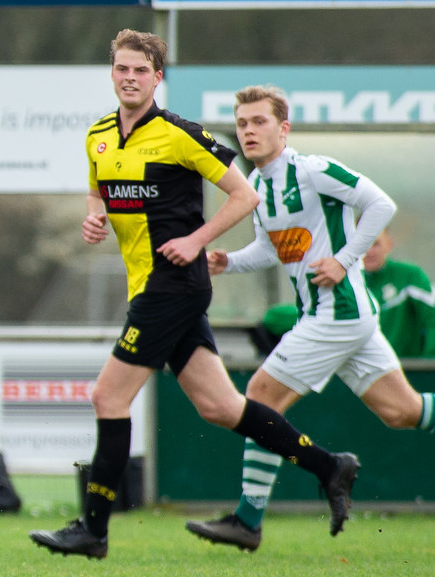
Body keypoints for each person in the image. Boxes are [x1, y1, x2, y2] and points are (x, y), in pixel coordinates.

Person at [30, 31, 359, 560]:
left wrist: (197, 239)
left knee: (107, 397)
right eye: (122, 69)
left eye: (141, 70)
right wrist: (94, 217)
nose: (130, 77)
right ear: (112, 73)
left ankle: (93, 529)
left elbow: (244, 195)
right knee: (221, 406)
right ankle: (329, 466)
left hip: (172, 287)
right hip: (150, 286)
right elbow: (99, 190)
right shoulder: (97, 135)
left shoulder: (179, 134)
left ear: (158, 78)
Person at [186, 85, 435, 552]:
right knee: (403, 411)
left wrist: (343, 260)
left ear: (284, 128)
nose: (248, 132)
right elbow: (270, 248)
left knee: (259, 399)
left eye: (259, 122)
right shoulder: (257, 186)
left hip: (336, 312)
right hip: (342, 316)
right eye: (242, 124)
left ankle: (247, 520)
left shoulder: (313, 170)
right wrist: (228, 262)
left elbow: (381, 204)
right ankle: (251, 518)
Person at [363, 228, 435, 359]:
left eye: (375, 244)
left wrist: (429, 363)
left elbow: (432, 318)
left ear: (389, 244)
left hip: (407, 370)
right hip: (359, 372)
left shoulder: (410, 276)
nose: (368, 251)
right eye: (362, 244)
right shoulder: (343, 283)